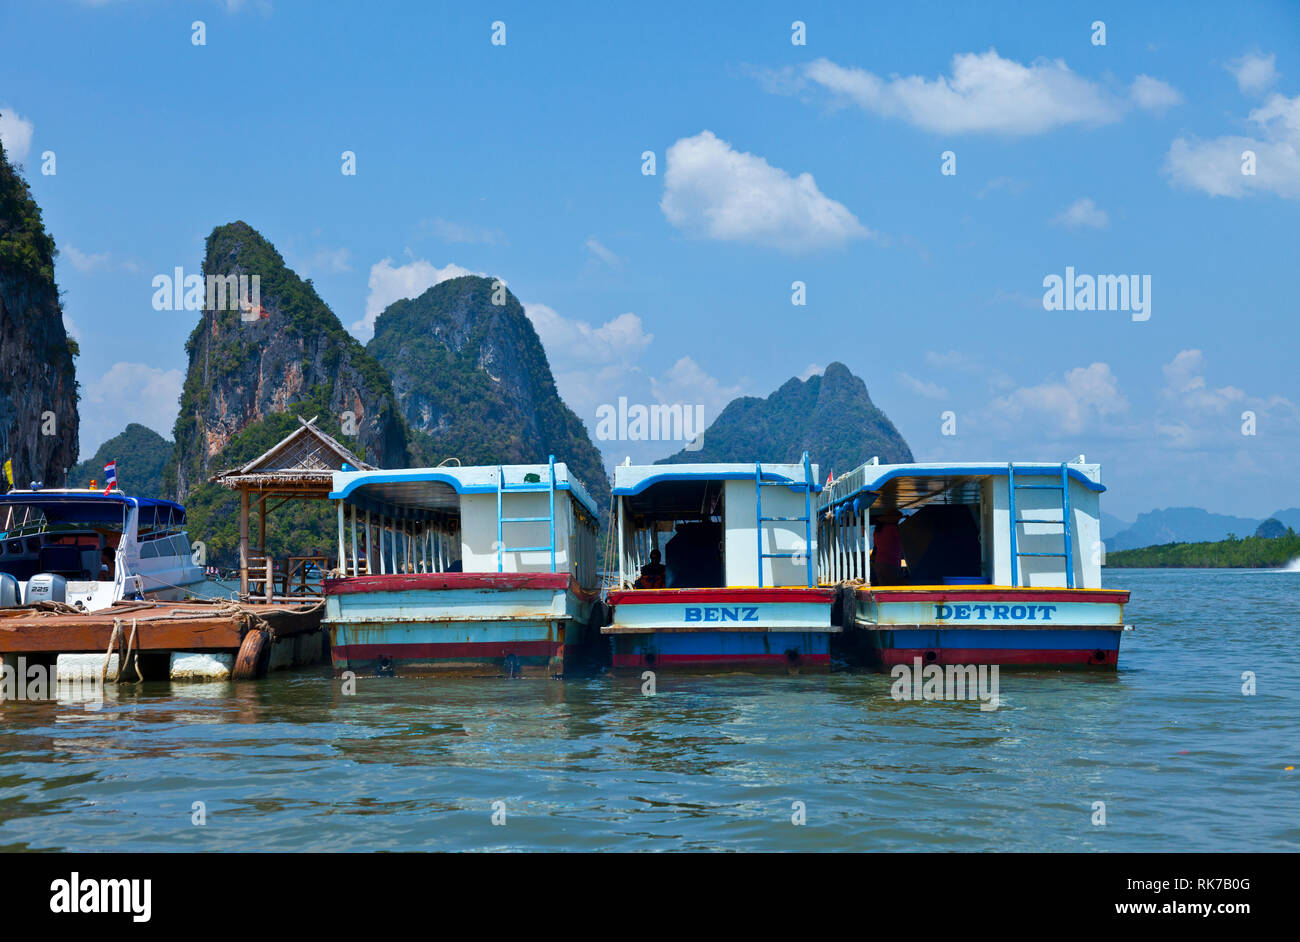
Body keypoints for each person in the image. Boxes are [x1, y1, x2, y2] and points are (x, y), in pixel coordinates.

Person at [870, 511, 905, 585]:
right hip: (891, 563)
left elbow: (876, 545)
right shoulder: (894, 529)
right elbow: (905, 539)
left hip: (879, 562)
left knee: (883, 587)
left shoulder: (877, 530)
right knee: (893, 589)